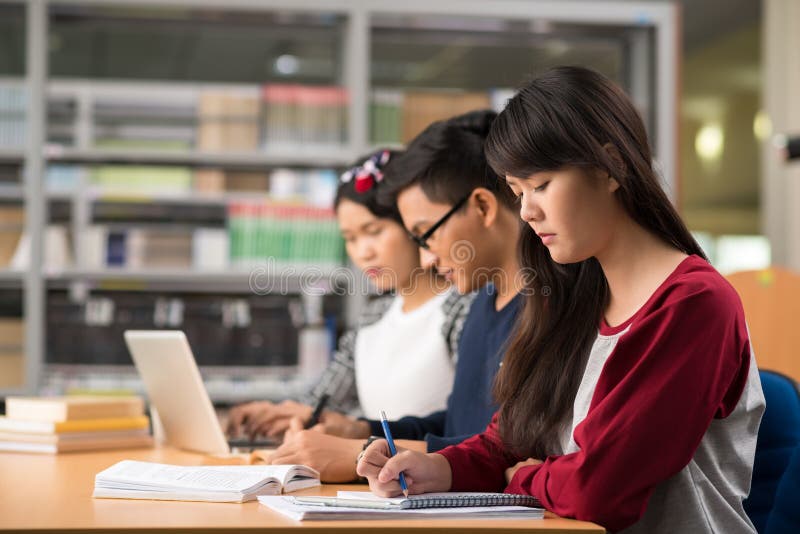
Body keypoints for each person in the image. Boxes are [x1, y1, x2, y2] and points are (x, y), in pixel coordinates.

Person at [357, 66, 766, 534]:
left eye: (542, 184)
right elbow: (509, 439)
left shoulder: (693, 303)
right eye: (517, 191)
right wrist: (441, 468)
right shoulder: (573, 295)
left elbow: (599, 490)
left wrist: (523, 477)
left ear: (610, 166)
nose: (528, 210)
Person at [268, 110, 527, 481]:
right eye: (351, 239)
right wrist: (362, 431)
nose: (426, 256)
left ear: (483, 207)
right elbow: (461, 427)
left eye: (425, 233)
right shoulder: (484, 305)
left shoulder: (539, 310)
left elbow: (505, 450)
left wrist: (365, 453)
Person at [227, 149, 471, 444]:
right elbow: (324, 399)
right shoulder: (374, 315)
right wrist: (274, 412)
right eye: (351, 239)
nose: (363, 252)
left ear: (413, 225)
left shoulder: (462, 307)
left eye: (374, 231)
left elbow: (469, 426)